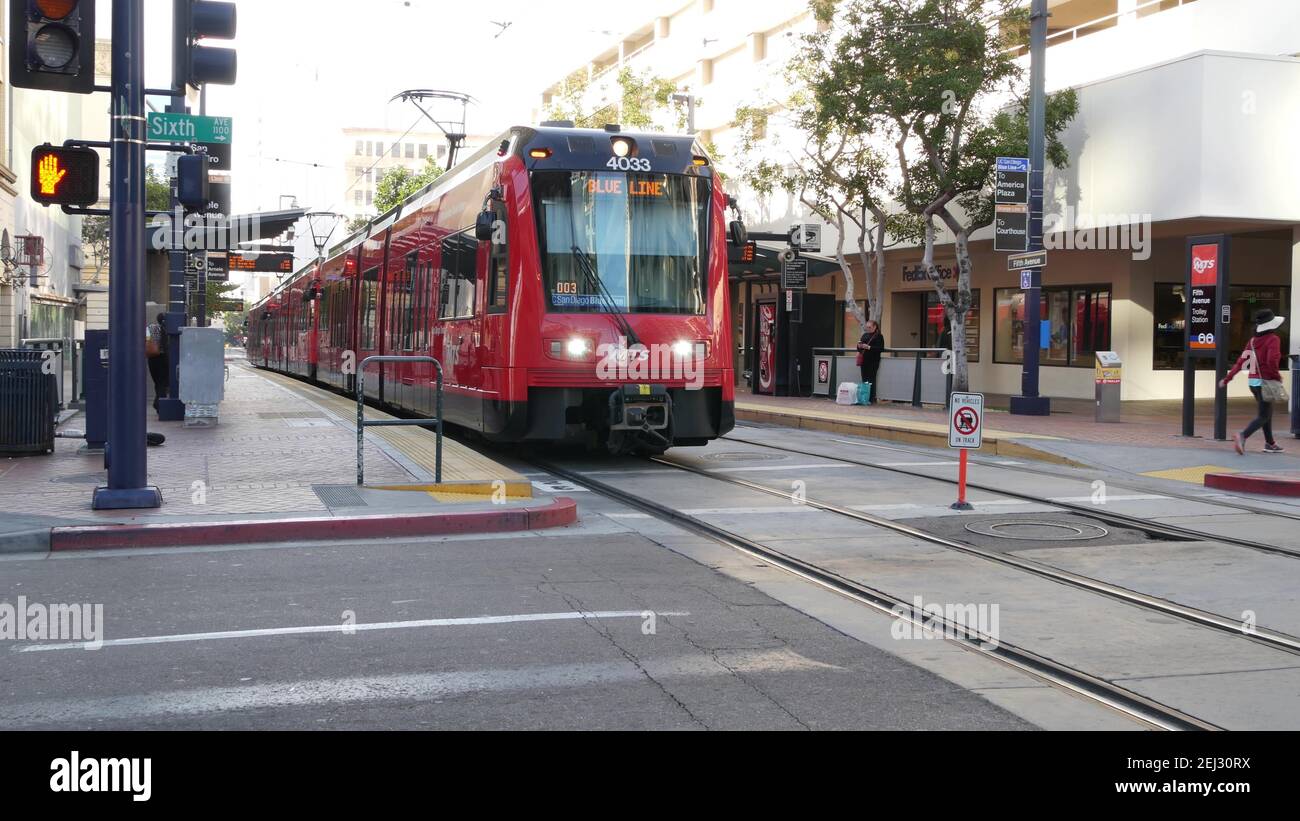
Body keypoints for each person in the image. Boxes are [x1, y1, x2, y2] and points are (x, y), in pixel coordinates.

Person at [1220, 308, 1286, 454]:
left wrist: (1228, 378)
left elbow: (1241, 361)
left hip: (1253, 383)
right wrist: (1277, 377)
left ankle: (1270, 443)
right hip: (1266, 382)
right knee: (1264, 415)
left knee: (1266, 413)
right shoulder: (1273, 339)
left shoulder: (1252, 341)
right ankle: (1243, 436)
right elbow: (1272, 361)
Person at [857, 319, 885, 405]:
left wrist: (868, 347)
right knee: (864, 378)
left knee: (871, 379)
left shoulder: (879, 336)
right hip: (864, 360)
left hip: (873, 361)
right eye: (867, 327)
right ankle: (865, 397)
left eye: (869, 327)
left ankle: (871, 398)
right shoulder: (865, 335)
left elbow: (880, 349)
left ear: (875, 327)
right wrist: (859, 346)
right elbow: (859, 348)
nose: (868, 329)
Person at [146, 313, 169, 412]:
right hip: (164, 358)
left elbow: (146, 339)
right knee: (163, 383)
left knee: (157, 382)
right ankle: (160, 404)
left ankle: (158, 403)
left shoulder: (151, 327)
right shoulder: (169, 330)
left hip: (152, 358)